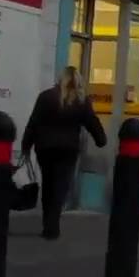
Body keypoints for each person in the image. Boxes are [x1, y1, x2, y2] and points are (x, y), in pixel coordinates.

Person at [21, 67, 107, 240]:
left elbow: (33, 122)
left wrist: (26, 146)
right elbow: (93, 123)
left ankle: (48, 225)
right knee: (60, 187)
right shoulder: (81, 100)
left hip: (45, 149)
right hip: (67, 150)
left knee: (48, 185)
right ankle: (53, 226)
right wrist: (101, 140)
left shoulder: (46, 97)